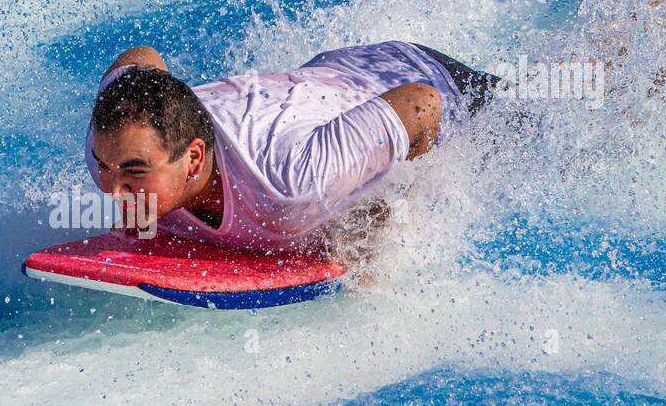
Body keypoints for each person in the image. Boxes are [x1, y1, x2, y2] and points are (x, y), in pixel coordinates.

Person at [86, 41, 503, 253]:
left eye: (134, 173)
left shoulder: (289, 185)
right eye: (107, 168)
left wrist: (396, 213)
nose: (112, 190)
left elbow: (422, 103)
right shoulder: (111, 140)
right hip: (322, 82)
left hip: (426, 82)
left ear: (193, 157)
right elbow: (139, 56)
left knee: (546, 118)